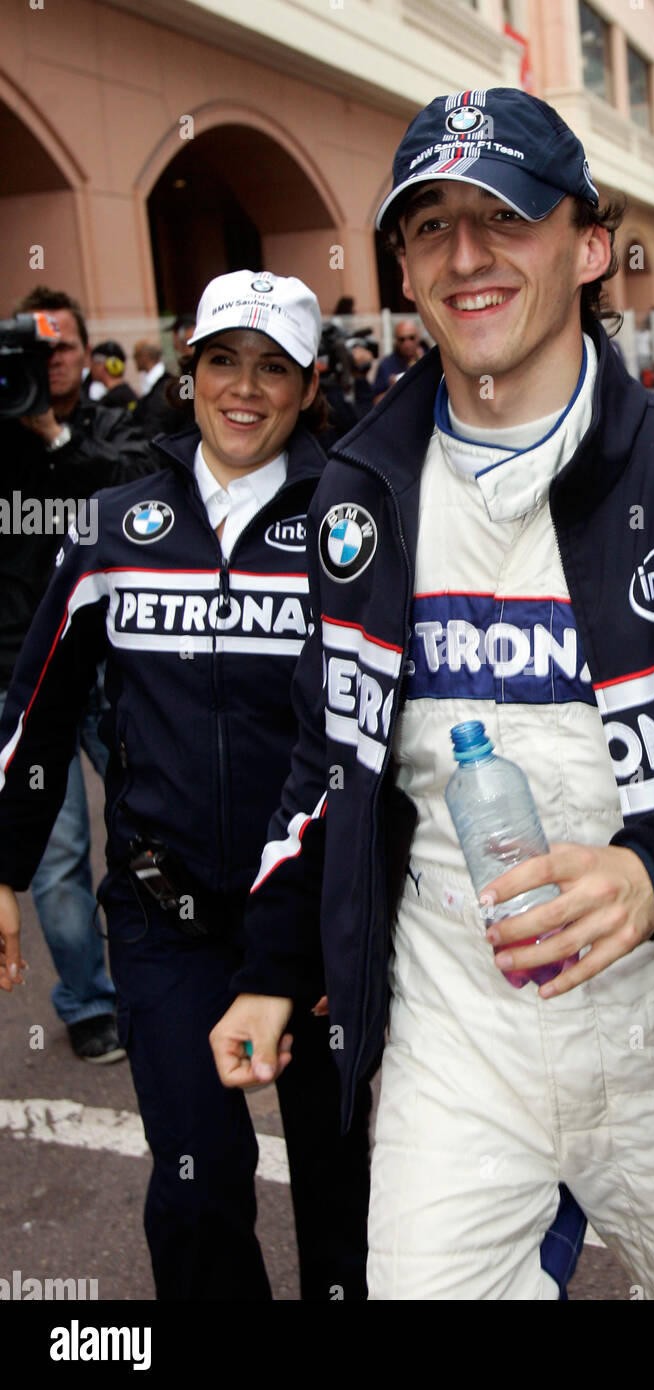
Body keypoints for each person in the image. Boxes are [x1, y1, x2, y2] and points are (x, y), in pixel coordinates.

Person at [212, 89, 654, 1301]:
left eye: (506, 216)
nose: (466, 255)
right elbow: (327, 758)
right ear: (403, 266)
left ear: (589, 246)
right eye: (429, 225)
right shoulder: (356, 497)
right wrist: (276, 958)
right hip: (455, 1025)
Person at [0, 270, 371, 1299]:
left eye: (271, 367)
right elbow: (41, 703)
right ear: (190, 371)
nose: (243, 388)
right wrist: (4, 867)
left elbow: (380, 732)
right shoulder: (114, 526)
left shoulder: (357, 525)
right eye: (222, 361)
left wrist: (360, 905)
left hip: (316, 929)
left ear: (305, 387)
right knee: (199, 1192)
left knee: (345, 1200)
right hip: (166, 916)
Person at [0, 287, 154, 1062]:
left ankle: (169, 971)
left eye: (62, 347)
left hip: (116, 668)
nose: (50, 361)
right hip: (26, 675)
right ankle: (87, 1001)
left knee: (154, 825)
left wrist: (56, 438)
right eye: (36, 350)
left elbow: (124, 489)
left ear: (87, 354)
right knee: (57, 852)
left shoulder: (111, 428)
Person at [132, 339, 185, 439]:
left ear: (144, 356)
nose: (134, 360)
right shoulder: (152, 382)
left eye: (136, 356)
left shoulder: (165, 385)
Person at [372, 318, 427, 402]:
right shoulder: (386, 364)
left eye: (411, 338)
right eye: (402, 339)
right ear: (396, 341)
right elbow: (376, 402)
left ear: (418, 338)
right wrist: (392, 389)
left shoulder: (429, 359)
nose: (407, 343)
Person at [87, 341, 139, 410]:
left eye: (93, 363)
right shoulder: (129, 395)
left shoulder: (110, 403)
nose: (91, 368)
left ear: (104, 365)